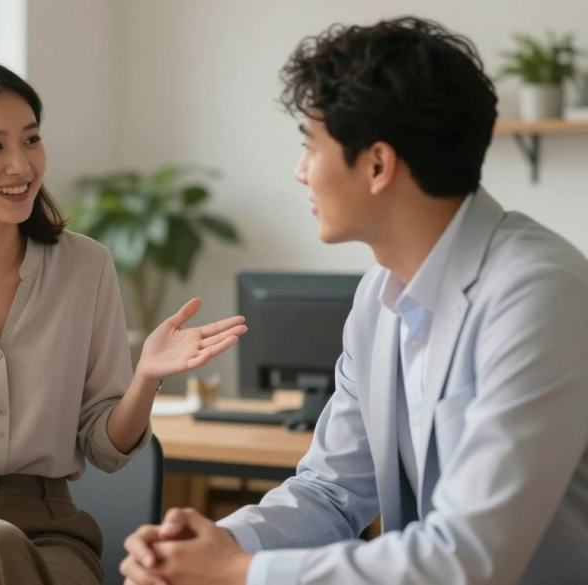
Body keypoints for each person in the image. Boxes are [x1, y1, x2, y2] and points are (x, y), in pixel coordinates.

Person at [121, 16, 588, 585]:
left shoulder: (540, 292)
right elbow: (332, 492)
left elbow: (470, 557)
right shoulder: (377, 296)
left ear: (376, 165)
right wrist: (217, 542)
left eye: (309, 148)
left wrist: (241, 571)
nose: (299, 173)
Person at [0, 60, 247, 585]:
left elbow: (106, 447)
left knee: (9, 555)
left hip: (52, 529)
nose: (21, 165)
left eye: (31, 140)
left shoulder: (86, 266)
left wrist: (145, 376)